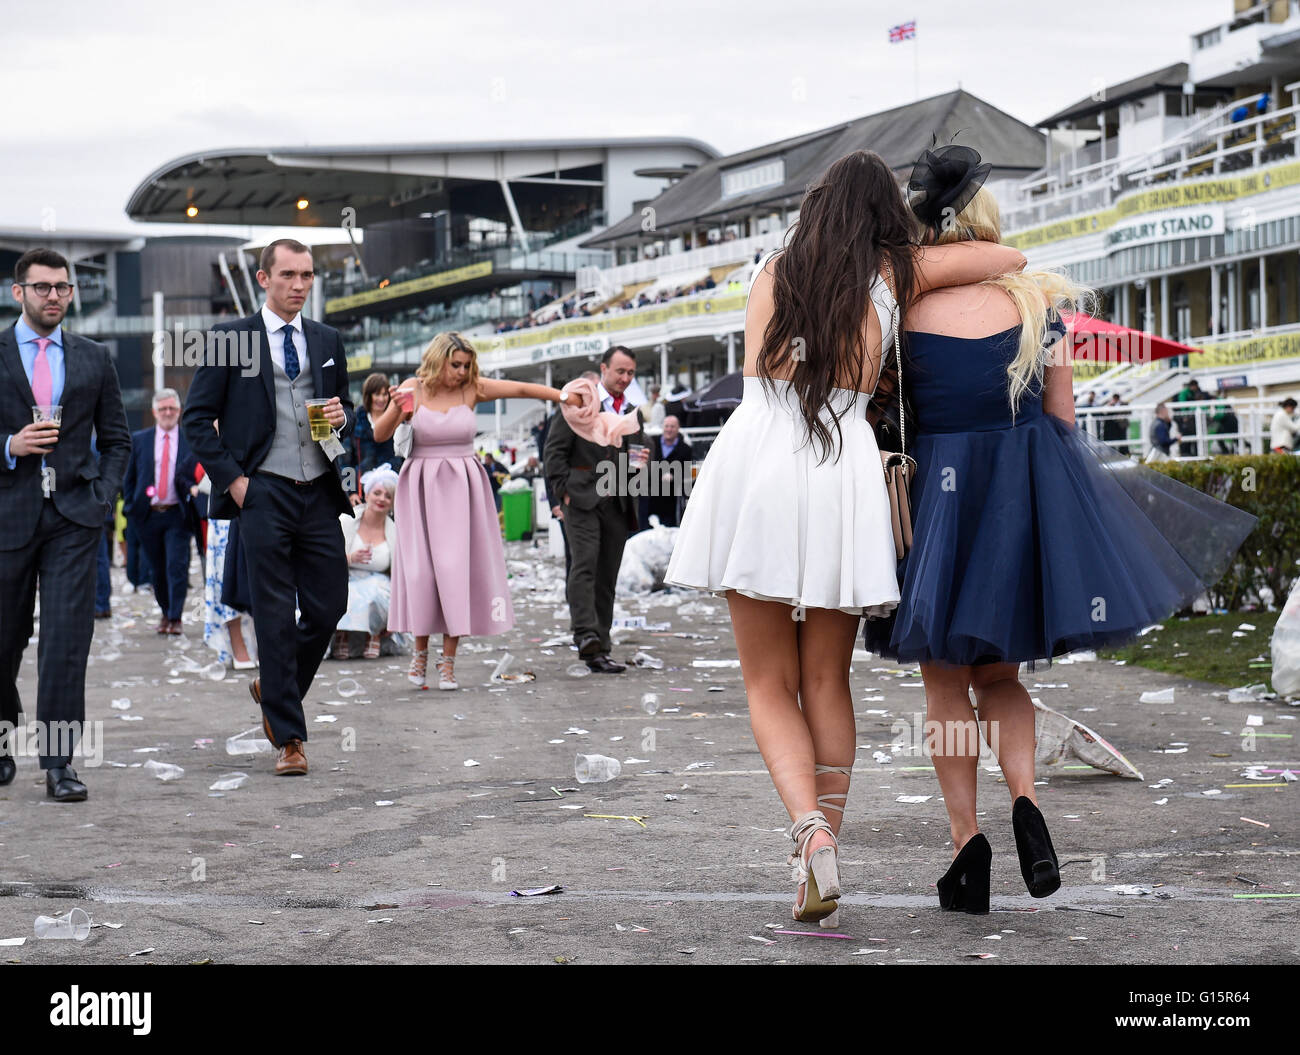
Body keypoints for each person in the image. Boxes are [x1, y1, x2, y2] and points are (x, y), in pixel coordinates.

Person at [863, 155, 1258, 916]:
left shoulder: (899, 310)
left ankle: (965, 847)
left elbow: (882, 411)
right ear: (989, 227)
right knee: (1003, 681)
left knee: (944, 686)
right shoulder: (1042, 306)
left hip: (937, 506)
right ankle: (1026, 803)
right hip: (1015, 505)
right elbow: (1063, 426)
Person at [662, 149, 1028, 926]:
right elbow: (1010, 255)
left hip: (759, 454)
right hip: (840, 462)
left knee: (766, 684)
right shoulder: (895, 274)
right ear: (883, 217)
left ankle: (810, 833)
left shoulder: (771, 267)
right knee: (827, 680)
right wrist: (923, 239)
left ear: (817, 207)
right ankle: (821, 850)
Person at [182, 237, 355, 777]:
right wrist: (236, 484)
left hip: (317, 487)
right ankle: (290, 740)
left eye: (306, 276)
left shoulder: (327, 338)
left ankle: (274, 688)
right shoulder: (229, 338)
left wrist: (339, 416)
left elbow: (338, 408)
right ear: (263, 279)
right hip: (262, 491)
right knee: (275, 617)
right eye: (288, 275)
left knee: (329, 606)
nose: (299, 285)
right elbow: (196, 420)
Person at [376, 331, 585, 689]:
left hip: (463, 487)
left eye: (466, 365)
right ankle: (420, 654)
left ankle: (448, 663)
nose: (460, 371)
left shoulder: (471, 389)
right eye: (454, 364)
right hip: (420, 487)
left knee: (455, 571)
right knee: (422, 573)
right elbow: (380, 435)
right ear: (438, 360)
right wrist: (397, 408)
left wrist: (562, 395)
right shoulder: (413, 387)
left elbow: (520, 390)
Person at [0, 247, 131, 800]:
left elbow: (119, 441)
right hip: (7, 515)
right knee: (5, 640)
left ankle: (58, 765)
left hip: (75, 518)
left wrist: (102, 498)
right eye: (43, 287)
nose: (54, 296)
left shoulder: (94, 357)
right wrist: (10, 444)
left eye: (63, 287)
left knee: (65, 642)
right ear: (19, 293)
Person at [546, 347, 649, 674]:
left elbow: (637, 456)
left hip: (618, 502)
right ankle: (586, 636)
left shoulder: (633, 412)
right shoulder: (578, 401)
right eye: (620, 371)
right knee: (584, 565)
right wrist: (562, 493)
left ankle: (601, 648)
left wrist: (639, 467)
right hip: (581, 499)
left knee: (607, 576)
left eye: (631, 373)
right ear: (603, 368)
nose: (625, 378)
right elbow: (554, 452)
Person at [123, 389, 198, 634]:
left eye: (172, 409)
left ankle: (176, 617)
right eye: (163, 409)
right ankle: (166, 612)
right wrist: (133, 507)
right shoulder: (141, 439)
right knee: (156, 568)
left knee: (176, 566)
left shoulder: (190, 440)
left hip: (178, 513)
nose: (168, 413)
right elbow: (130, 476)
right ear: (155, 412)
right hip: (148, 514)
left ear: (179, 411)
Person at [333, 464, 407, 660]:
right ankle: (343, 634)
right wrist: (349, 558)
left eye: (388, 496)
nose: (382, 499)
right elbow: (326, 559)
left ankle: (373, 634)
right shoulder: (346, 521)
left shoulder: (395, 532)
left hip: (380, 583)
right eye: (377, 493)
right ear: (367, 494)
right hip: (346, 577)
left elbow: (399, 574)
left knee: (375, 589)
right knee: (347, 590)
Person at [647, 415, 692, 528]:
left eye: (672, 426)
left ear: (678, 428)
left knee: (669, 529)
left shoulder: (685, 449)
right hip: (650, 495)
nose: (669, 429)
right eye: (666, 426)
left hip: (671, 498)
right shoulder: (652, 443)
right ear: (663, 427)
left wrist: (674, 477)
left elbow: (688, 474)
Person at [355, 371, 403, 477]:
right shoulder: (355, 420)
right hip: (362, 488)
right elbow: (345, 462)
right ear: (368, 395)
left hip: (393, 486)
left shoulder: (398, 419)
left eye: (385, 394)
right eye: (377, 394)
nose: (381, 399)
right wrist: (351, 492)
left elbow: (405, 457)